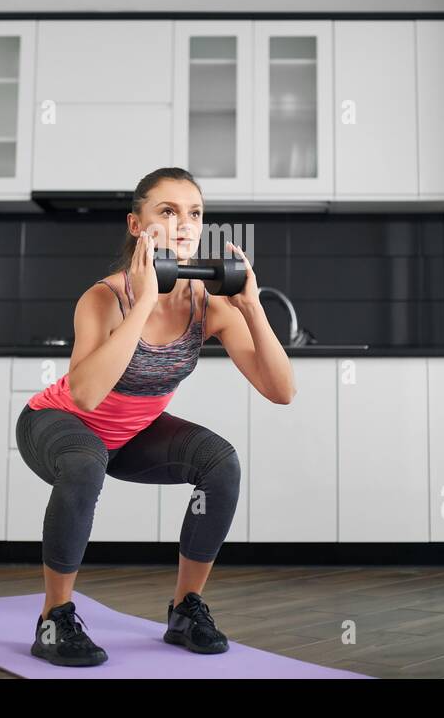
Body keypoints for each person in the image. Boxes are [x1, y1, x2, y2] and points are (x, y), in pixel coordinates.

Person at [16, 167, 296, 666]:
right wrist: (144, 300)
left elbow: (282, 391)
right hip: (57, 424)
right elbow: (83, 394)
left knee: (220, 463)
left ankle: (186, 609)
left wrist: (252, 308)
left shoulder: (208, 305)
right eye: (166, 212)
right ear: (135, 225)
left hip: (130, 436)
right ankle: (54, 618)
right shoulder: (104, 298)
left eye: (194, 214)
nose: (184, 225)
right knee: (85, 461)